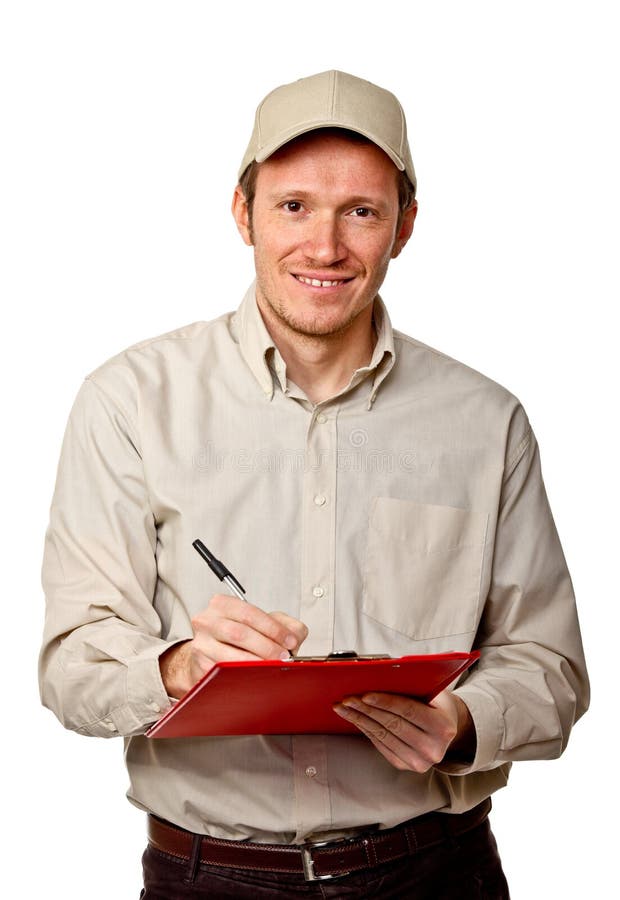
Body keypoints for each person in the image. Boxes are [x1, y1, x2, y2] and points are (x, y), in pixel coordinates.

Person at [39, 70, 589, 898]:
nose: (325, 247)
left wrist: (459, 721)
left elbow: (551, 666)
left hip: (433, 872)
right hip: (209, 879)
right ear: (242, 213)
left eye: (360, 212)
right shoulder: (129, 402)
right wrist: (182, 666)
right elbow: (71, 665)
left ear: (403, 227)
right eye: (293, 206)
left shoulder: (487, 421)